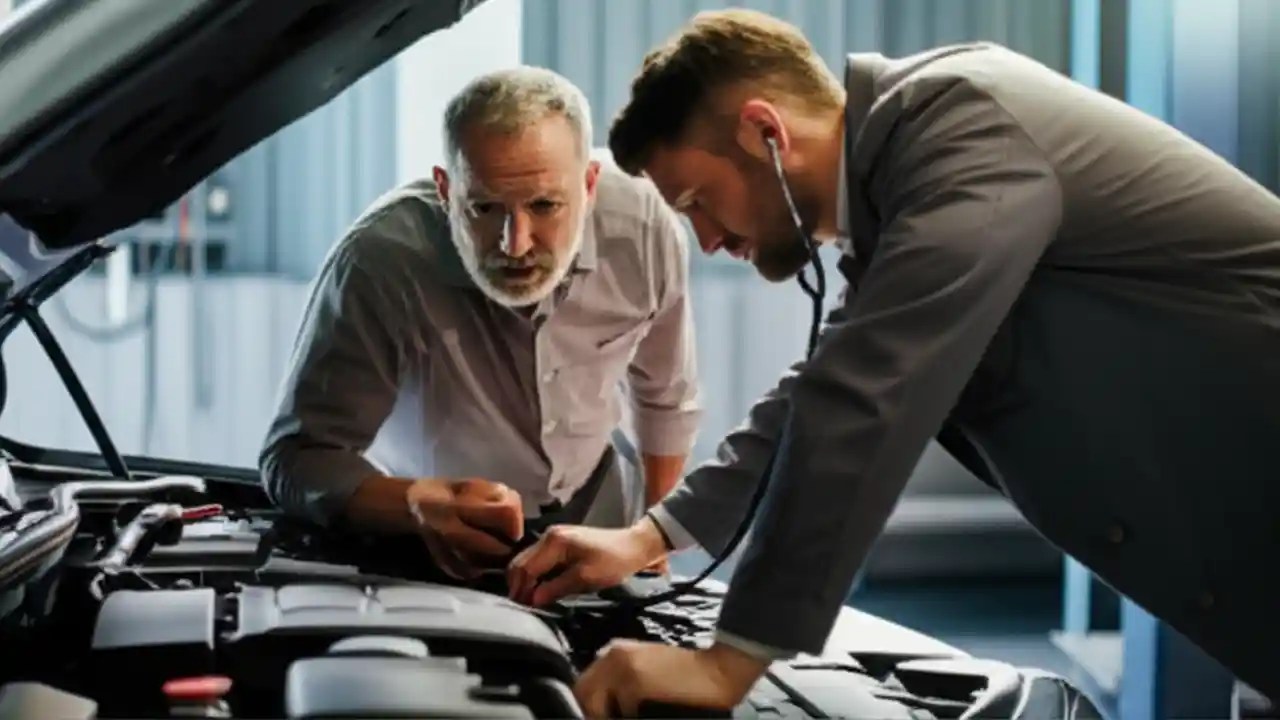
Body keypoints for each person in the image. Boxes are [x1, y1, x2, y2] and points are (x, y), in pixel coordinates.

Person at [507, 8, 1280, 715]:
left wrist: (728, 663)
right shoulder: (904, 181)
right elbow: (819, 391)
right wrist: (648, 537)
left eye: (697, 202)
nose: (706, 240)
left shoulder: (964, 123)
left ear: (764, 132)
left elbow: (866, 394)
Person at [260, 66, 702, 581]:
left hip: (601, 511)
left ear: (589, 185)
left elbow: (667, 398)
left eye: (544, 206)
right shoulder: (381, 262)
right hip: (435, 539)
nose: (515, 245)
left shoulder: (644, 227)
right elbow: (297, 458)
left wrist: (651, 537)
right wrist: (416, 505)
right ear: (446, 191)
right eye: (485, 208)